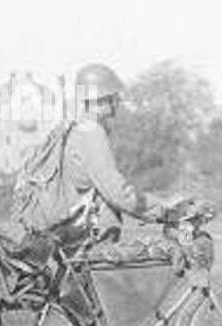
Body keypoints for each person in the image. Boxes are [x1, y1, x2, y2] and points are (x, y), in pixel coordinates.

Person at [13, 62, 183, 249]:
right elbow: (117, 193)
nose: (118, 100)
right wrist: (166, 210)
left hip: (57, 225)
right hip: (75, 232)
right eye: (114, 96)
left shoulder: (75, 127)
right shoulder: (91, 133)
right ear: (102, 98)